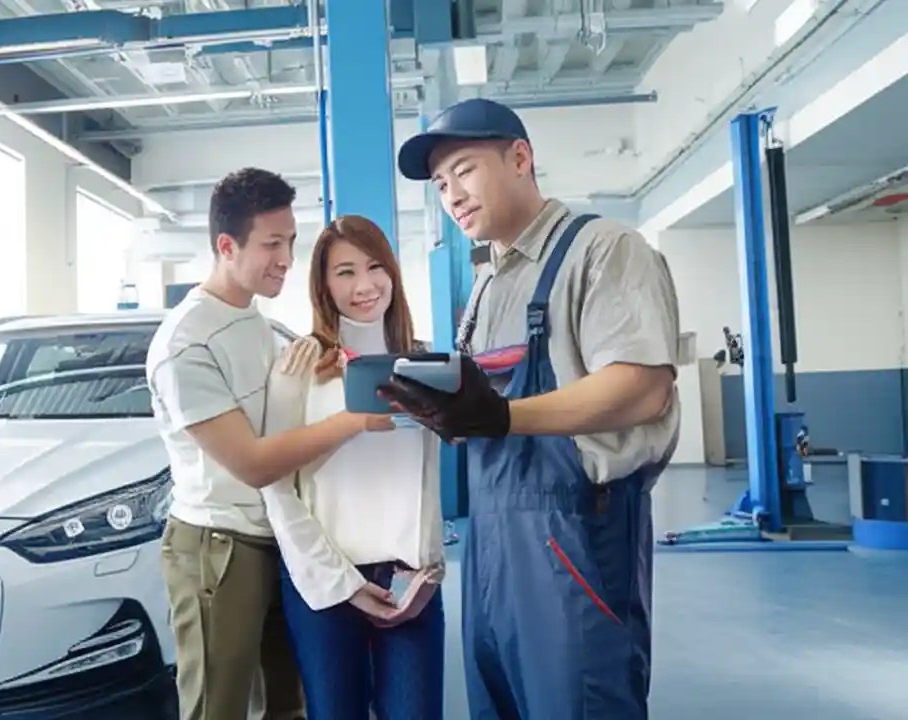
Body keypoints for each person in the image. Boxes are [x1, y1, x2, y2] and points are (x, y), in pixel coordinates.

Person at [382, 98, 681, 719]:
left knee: (577, 704)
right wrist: (440, 409)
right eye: (440, 184)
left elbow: (642, 386)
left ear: (520, 158)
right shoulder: (489, 282)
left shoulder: (602, 249)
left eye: (463, 170)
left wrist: (503, 417)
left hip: (575, 539)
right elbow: (485, 410)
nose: (452, 195)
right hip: (490, 543)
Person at [145, 168, 395, 720]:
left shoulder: (255, 321)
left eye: (290, 242)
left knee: (286, 704)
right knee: (220, 707)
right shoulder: (185, 344)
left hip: (273, 539)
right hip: (219, 547)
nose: (286, 258)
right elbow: (255, 463)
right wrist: (353, 420)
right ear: (226, 246)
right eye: (272, 244)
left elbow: (280, 426)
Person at [259, 215, 446, 720]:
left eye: (374, 266)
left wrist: (429, 568)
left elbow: (424, 480)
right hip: (325, 583)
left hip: (409, 582)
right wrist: (340, 581)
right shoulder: (300, 366)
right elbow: (276, 487)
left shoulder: (423, 365)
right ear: (322, 284)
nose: (364, 286)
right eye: (344, 272)